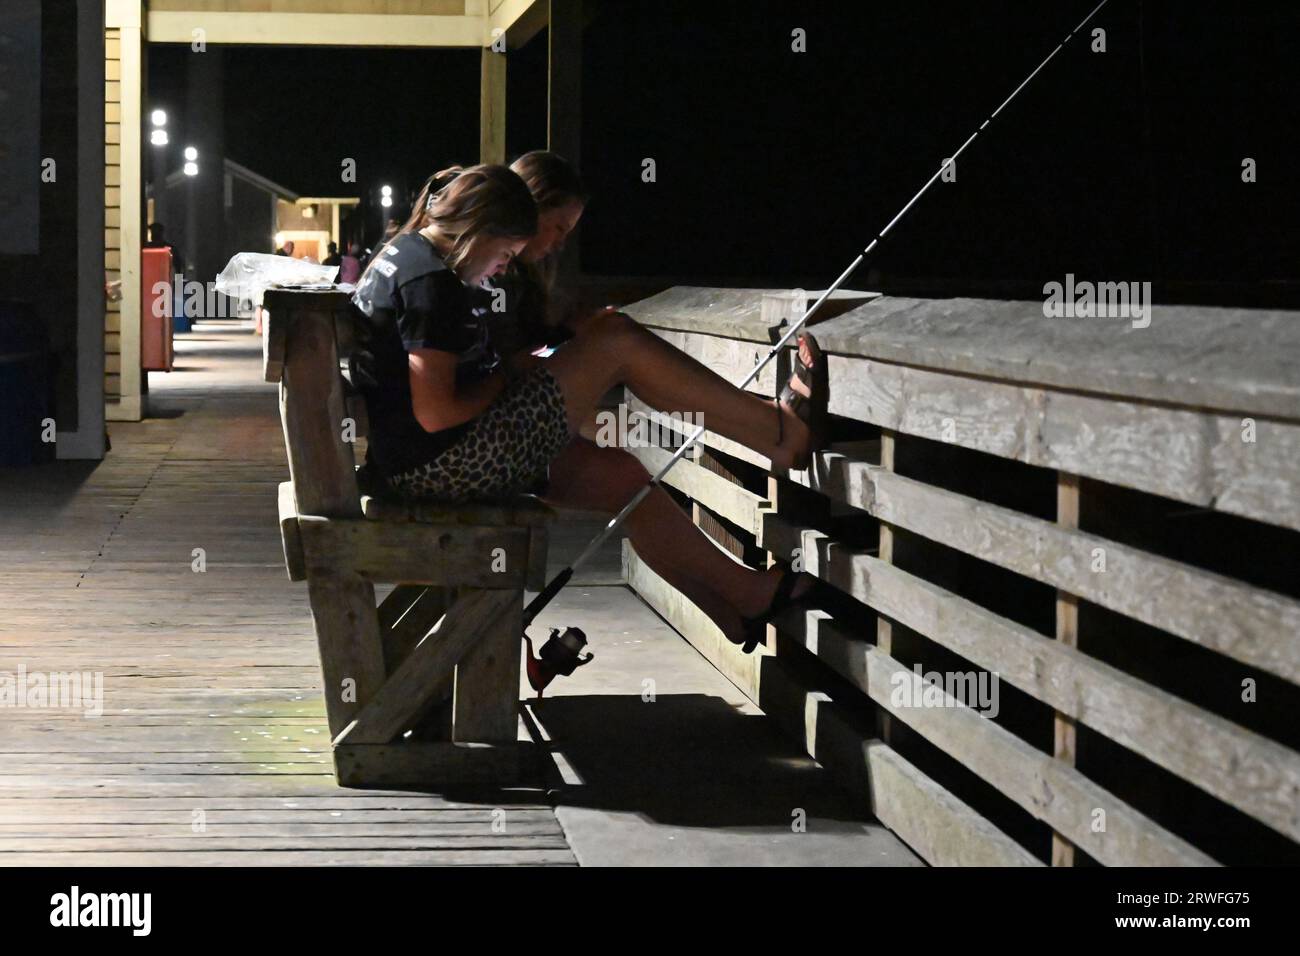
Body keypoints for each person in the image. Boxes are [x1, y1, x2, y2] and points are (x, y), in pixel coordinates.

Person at [350, 163, 829, 654]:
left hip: (424, 462)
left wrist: (536, 356)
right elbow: (437, 413)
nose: (503, 267)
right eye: (507, 253)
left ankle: (738, 603)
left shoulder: (405, 256)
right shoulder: (430, 282)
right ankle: (779, 431)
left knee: (623, 479)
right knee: (616, 341)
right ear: (485, 229)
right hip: (448, 465)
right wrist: (512, 374)